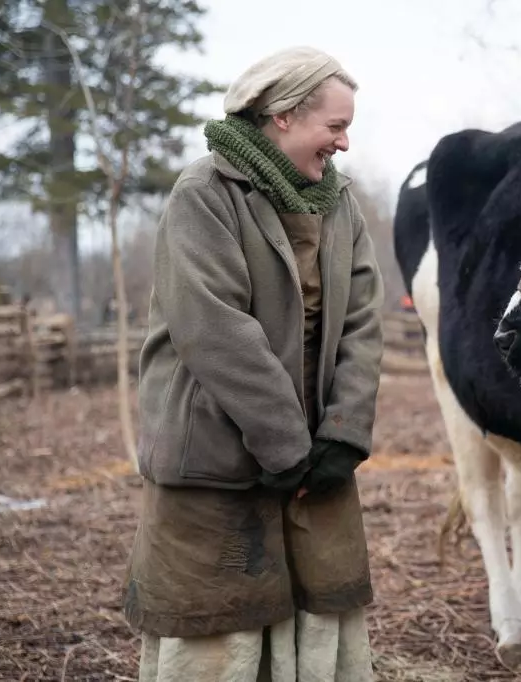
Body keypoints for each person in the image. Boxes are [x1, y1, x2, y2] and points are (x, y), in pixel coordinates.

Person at [122, 46, 384, 681]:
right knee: (221, 626)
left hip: (316, 455)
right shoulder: (203, 195)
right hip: (217, 452)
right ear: (286, 117)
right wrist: (287, 446)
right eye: (336, 126)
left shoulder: (340, 203)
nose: (345, 143)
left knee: (316, 612)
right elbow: (214, 330)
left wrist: (342, 436)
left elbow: (362, 323)